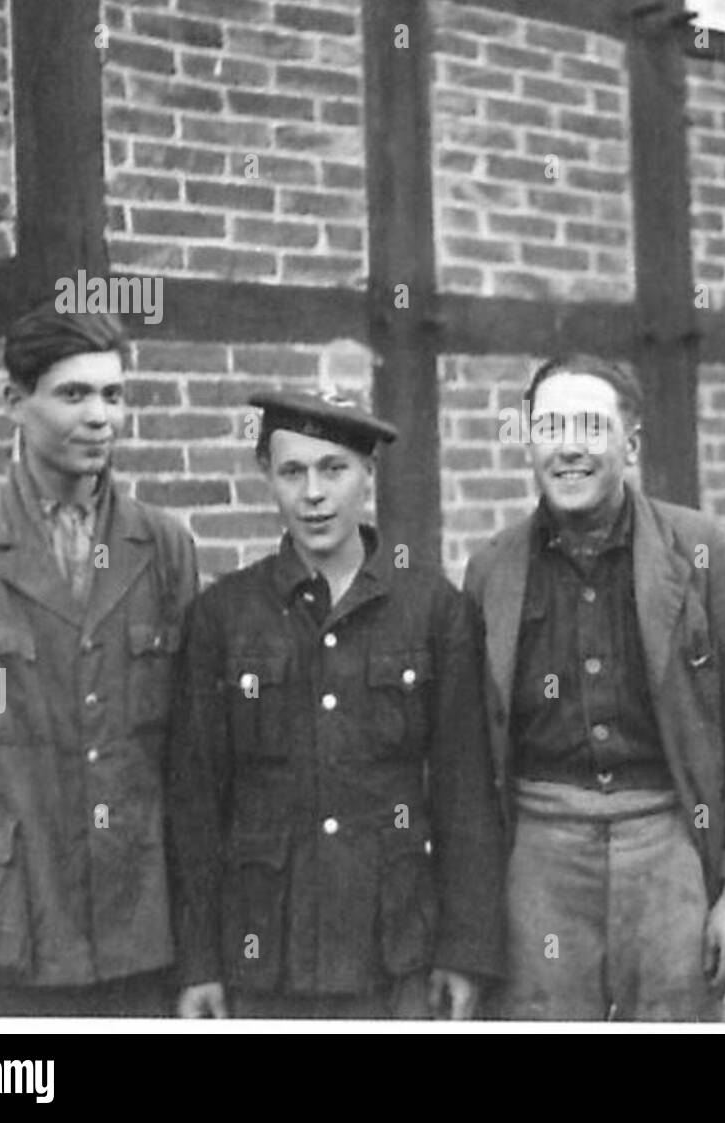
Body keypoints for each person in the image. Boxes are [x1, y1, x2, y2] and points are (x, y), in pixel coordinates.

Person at [169, 389, 504, 1019]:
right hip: (264, 954)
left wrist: (465, 952)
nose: (314, 494)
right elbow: (195, 803)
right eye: (293, 471)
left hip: (397, 950)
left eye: (334, 469)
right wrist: (200, 964)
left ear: (368, 475)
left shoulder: (434, 611)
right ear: (267, 475)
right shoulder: (223, 617)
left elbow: (465, 794)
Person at [464, 355, 725, 1021]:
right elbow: (473, 746)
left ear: (629, 444)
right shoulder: (491, 567)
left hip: (665, 839)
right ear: (529, 442)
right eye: (550, 426)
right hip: (540, 847)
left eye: (590, 426)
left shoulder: (700, 550)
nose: (569, 446)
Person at [0, 302, 198, 1016]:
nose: (100, 414)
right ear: (14, 401)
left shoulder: (164, 547)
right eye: (73, 393)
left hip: (141, 928)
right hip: (14, 929)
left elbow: (189, 755)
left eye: (114, 394)